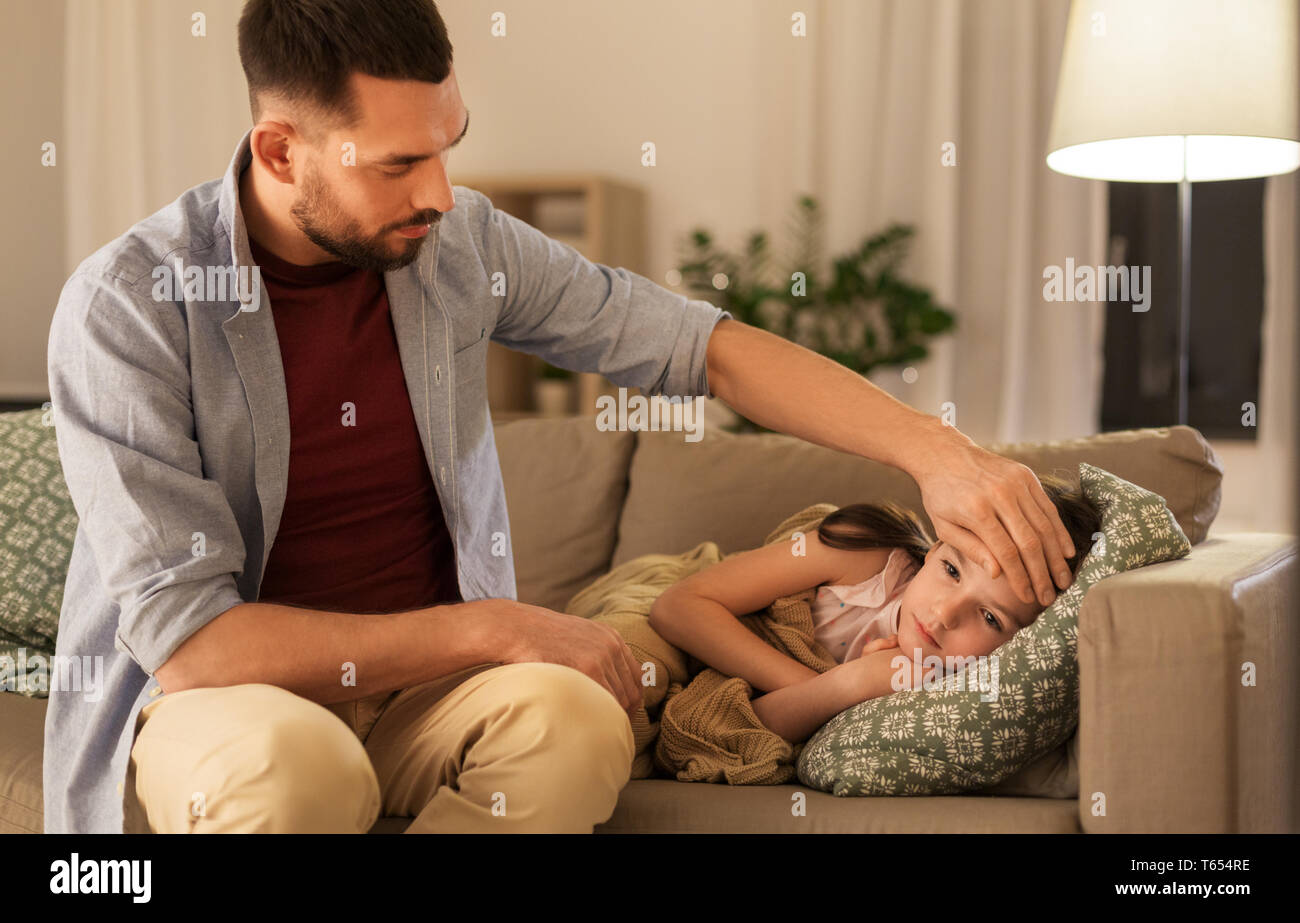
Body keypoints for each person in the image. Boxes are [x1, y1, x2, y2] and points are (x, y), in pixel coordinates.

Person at [44, 0, 1078, 834]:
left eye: (447, 146)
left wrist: (939, 454)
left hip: (432, 693)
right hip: (220, 701)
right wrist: (497, 624)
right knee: (292, 767)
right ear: (279, 151)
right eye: (398, 164)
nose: (442, 193)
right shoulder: (130, 304)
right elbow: (193, 645)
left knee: (580, 720)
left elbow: (698, 345)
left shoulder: (452, 244)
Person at [649, 475, 1101, 744]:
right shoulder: (862, 556)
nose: (945, 614)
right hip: (672, 587)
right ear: (936, 547)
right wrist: (831, 684)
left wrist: (852, 690)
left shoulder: (955, 692)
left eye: (990, 618)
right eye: (951, 570)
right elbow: (678, 607)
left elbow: (737, 729)